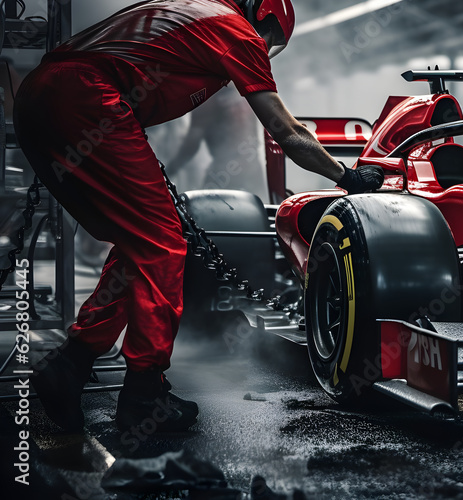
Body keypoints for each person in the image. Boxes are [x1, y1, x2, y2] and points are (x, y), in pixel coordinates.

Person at [15, 0, 383, 433]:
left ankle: (70, 366)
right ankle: (142, 394)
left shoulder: (193, 11)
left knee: (142, 241)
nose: (265, 50)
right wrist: (348, 175)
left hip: (40, 96)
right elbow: (288, 134)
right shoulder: (238, 32)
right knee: (164, 242)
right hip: (87, 99)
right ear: (262, 16)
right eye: (270, 41)